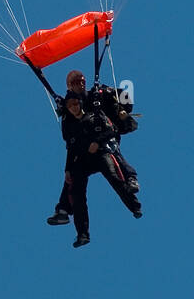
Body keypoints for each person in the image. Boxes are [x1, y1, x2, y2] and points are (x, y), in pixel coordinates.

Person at [46, 69, 138, 226]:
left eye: (82, 80)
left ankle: (131, 179)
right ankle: (63, 211)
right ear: (69, 87)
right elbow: (70, 142)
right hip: (87, 148)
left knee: (112, 151)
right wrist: (68, 168)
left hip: (106, 137)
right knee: (73, 174)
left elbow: (125, 97)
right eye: (76, 82)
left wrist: (121, 107)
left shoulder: (98, 94)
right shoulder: (69, 109)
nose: (81, 83)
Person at [57, 92, 142, 246]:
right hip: (83, 161)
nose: (73, 107)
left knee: (114, 177)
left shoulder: (95, 115)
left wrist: (97, 141)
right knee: (76, 193)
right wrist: (67, 169)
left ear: (81, 103)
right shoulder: (70, 126)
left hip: (101, 153)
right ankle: (82, 234)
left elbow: (112, 130)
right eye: (70, 106)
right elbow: (70, 149)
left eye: (75, 103)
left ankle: (134, 206)